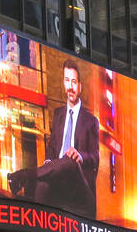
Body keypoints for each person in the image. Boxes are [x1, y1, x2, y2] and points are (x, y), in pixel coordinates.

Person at [6, 61, 100, 219]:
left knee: (70, 159)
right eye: (67, 80)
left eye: (74, 82)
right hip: (58, 179)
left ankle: (23, 176)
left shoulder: (91, 121)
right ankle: (38, 229)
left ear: (80, 86)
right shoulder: (58, 115)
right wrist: (49, 160)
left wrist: (81, 155)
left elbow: (96, 158)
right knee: (43, 183)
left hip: (79, 184)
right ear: (63, 83)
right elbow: (52, 148)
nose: (70, 86)